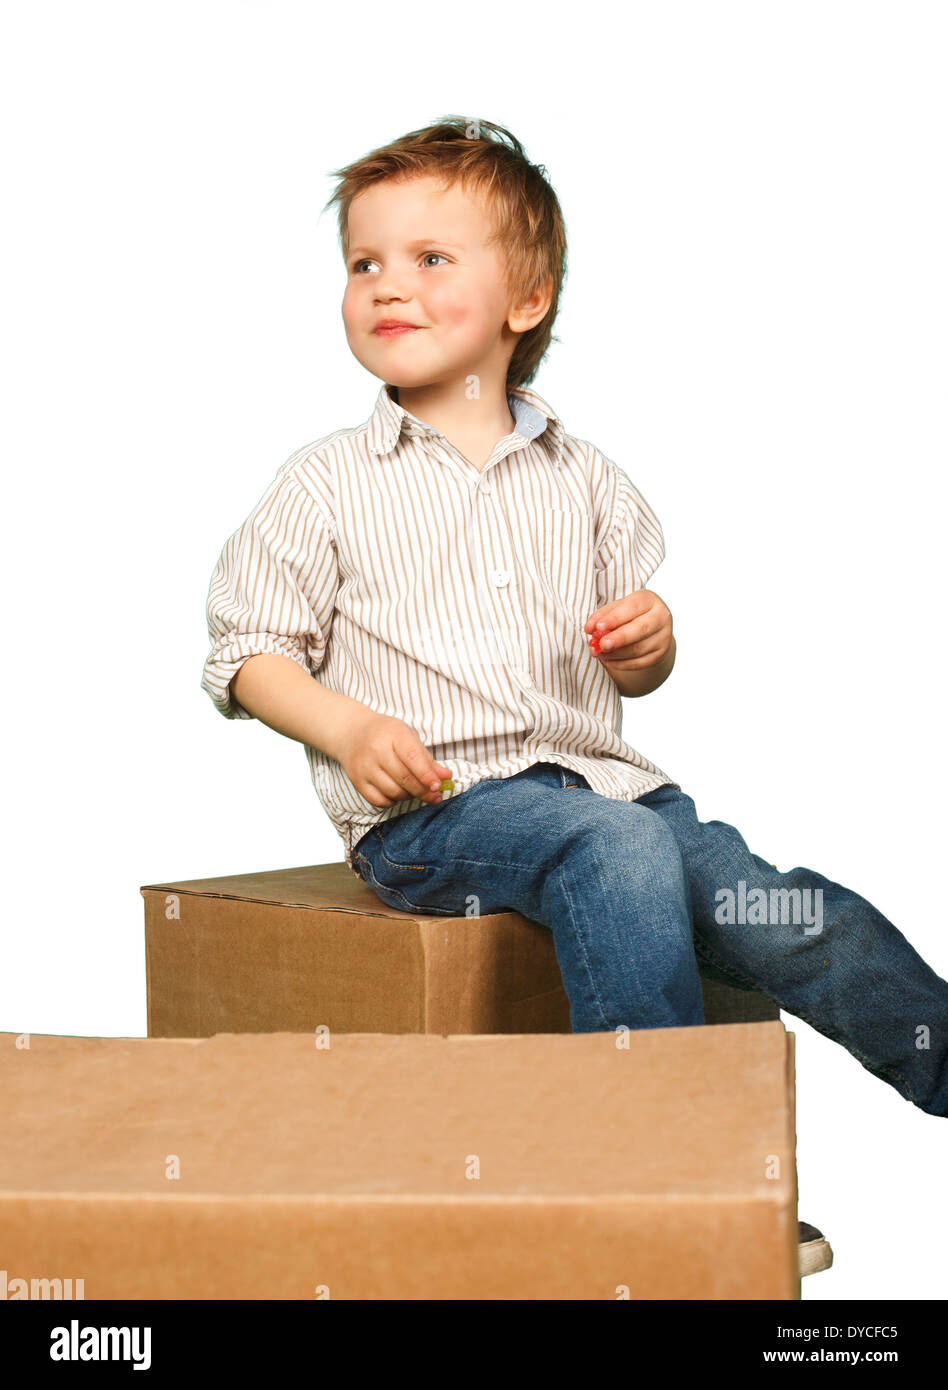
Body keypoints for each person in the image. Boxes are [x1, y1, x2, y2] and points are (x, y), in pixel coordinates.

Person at [201, 116, 948, 1280]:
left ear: (527, 299)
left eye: (429, 258)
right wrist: (350, 729)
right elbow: (247, 654)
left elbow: (632, 664)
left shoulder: (585, 477)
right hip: (440, 814)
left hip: (614, 791)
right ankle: (667, 1177)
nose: (386, 284)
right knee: (613, 852)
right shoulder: (326, 482)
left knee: (784, 911)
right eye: (363, 262)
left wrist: (649, 642)